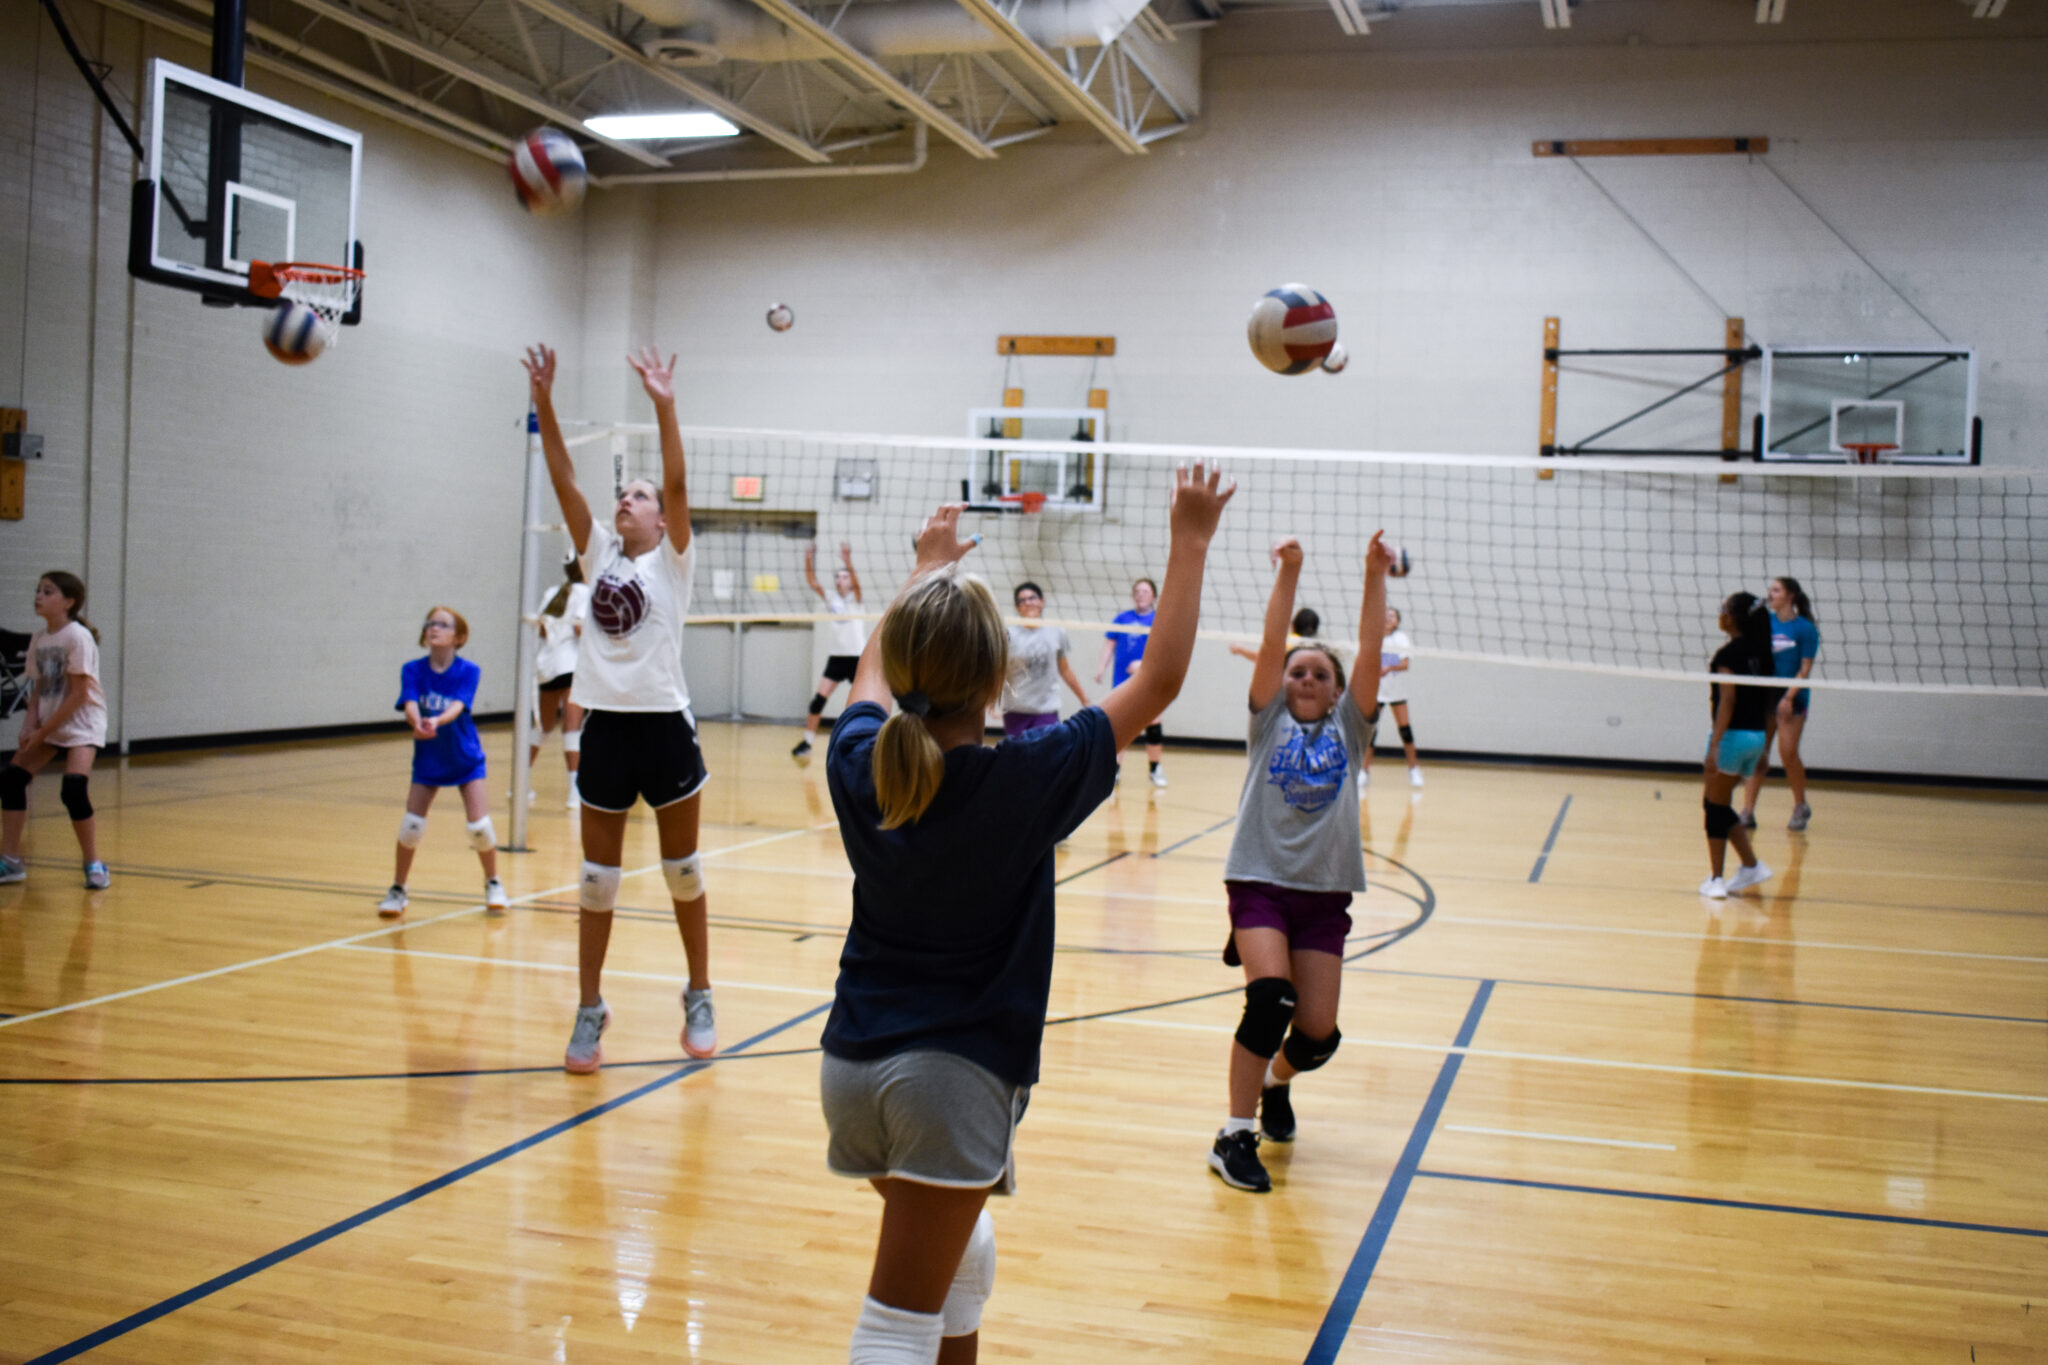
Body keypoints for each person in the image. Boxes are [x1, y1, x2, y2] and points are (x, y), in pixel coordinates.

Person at [821, 466, 1234, 1365]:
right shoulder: (1026, 780)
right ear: (1000, 675)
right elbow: (1158, 682)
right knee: (893, 1324)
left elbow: (868, 673)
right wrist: (1190, 540)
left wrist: (926, 570)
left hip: (851, 1065)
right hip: (949, 1076)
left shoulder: (859, 762)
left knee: (961, 1258)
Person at [524, 341, 717, 1074]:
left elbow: (675, 477)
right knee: (597, 882)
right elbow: (564, 476)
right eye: (626, 494)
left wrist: (664, 403)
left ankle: (699, 991)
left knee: (683, 871)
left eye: (639, 496)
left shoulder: (674, 560)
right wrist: (544, 398)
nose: (628, 500)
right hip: (604, 726)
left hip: (666, 726)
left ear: (663, 521)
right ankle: (589, 1006)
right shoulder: (599, 551)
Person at [1211, 532, 1394, 1194]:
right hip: (1259, 880)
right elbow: (1270, 646)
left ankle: (1272, 1080)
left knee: (1316, 1033)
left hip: (1323, 894)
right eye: (1297, 671)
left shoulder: (1351, 729)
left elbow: (1370, 649)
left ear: (1342, 691)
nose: (1306, 678)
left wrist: (1376, 574)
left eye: (1320, 673)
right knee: (1270, 1000)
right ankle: (1234, 1132)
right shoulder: (1268, 722)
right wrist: (1289, 571)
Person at [378, 607, 508, 918]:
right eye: (430, 623)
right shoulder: (412, 670)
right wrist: (417, 720)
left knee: (479, 827)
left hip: (464, 757)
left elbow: (458, 706)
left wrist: (435, 720)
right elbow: (409, 703)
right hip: (429, 759)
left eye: (443, 624)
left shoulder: (468, 671)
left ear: (458, 636)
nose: (434, 628)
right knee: (411, 826)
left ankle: (493, 882)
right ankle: (398, 889)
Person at [0, 572, 110, 889]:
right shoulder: (40, 639)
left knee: (73, 789)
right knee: (11, 780)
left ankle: (93, 863)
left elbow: (79, 695)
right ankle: (10, 860)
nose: (38, 596)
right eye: (38, 590)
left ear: (68, 601)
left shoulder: (77, 637)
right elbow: (38, 690)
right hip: (52, 721)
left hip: (81, 722)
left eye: (47, 591)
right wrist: (28, 726)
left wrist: (42, 730)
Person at [1701, 591, 1774, 900]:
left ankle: (1717, 879)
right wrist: (1766, 750)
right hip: (1756, 737)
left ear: (1733, 617)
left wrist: (1715, 745)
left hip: (1732, 736)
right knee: (1720, 805)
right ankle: (1750, 866)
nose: (1721, 614)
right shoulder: (1763, 655)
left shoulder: (1728, 655)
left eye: (1724, 609)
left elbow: (1727, 700)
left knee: (1713, 807)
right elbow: (1770, 706)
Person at [1740, 576, 1820, 832]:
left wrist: (1788, 697)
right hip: (1766, 695)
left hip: (1792, 696)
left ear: (1790, 596)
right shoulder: (1764, 623)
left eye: (1776, 590)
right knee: (1757, 753)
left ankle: (1800, 805)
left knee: (1788, 753)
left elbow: (1804, 669)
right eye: (1770, 590)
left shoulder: (1805, 629)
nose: (1770, 594)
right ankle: (1747, 810)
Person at [794, 541, 866, 762]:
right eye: (838, 577)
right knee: (817, 702)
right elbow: (812, 582)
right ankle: (807, 742)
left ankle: (867, 745)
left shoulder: (856, 598)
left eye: (844, 577)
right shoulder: (831, 599)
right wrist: (808, 558)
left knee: (863, 704)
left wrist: (847, 562)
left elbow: (857, 583)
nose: (840, 580)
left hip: (857, 658)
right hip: (836, 658)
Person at [1095, 577, 1167, 787]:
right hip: (1122, 682)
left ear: (1153, 596)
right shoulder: (1122, 618)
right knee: (1119, 726)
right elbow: (1109, 645)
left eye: (1145, 591)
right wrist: (1101, 668)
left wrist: (1144, 665)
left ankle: (1155, 769)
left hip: (1150, 683)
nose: (1141, 595)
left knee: (1153, 725)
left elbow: (1165, 652)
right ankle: (1113, 770)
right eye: (1137, 592)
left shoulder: (1159, 620)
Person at [532, 556, 590, 808]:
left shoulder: (551, 592)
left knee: (544, 726)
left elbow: (541, 629)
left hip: (546, 666)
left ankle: (520, 785)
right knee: (572, 727)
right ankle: (575, 793)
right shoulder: (585, 592)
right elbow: (579, 629)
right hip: (570, 665)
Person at [999, 582, 1087, 740]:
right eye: (1022, 600)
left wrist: (1084, 699)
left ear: (1042, 601)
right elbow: (1000, 671)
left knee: (1048, 759)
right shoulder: (1008, 635)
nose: (1027, 603)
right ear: (1017, 607)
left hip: (1046, 710)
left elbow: (1065, 669)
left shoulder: (1056, 631)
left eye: (1032, 598)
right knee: (1018, 760)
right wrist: (991, 701)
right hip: (1016, 709)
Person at [1361, 606, 1422, 789]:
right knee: (1370, 732)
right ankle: (1364, 771)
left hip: (1396, 691)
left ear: (1397, 621)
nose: (1388, 618)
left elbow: (1405, 664)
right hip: (1377, 691)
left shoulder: (1401, 639)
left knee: (1405, 731)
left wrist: (1388, 669)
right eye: (1385, 614)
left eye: (1392, 616)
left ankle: (1414, 770)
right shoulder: (1374, 636)